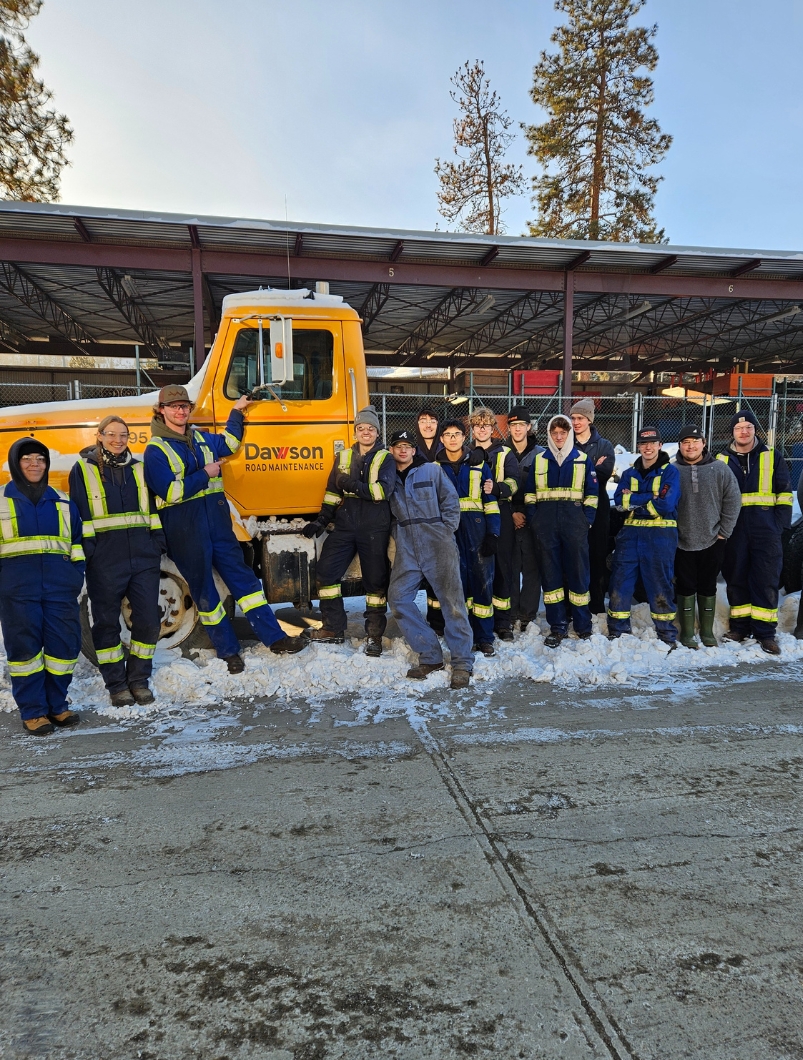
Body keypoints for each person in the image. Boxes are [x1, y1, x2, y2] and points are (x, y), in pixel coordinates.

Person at [144, 384, 306, 673]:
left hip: (218, 526)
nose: (180, 411)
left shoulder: (201, 439)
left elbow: (230, 443)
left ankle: (275, 638)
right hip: (185, 531)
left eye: (184, 406)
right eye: (174, 407)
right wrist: (205, 474)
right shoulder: (156, 450)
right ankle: (228, 651)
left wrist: (237, 412)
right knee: (205, 592)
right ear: (161, 411)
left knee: (247, 584)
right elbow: (169, 492)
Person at [70, 415, 166, 707]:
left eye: (123, 435)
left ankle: (138, 680)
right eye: (111, 434)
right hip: (105, 560)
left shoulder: (139, 468)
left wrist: (156, 543)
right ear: (100, 436)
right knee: (106, 623)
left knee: (148, 620)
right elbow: (79, 514)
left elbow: (151, 510)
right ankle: (116, 684)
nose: (117, 440)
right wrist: (92, 552)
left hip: (143, 557)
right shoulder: (82, 469)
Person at [0, 439, 84, 735]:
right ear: (15, 463)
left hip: (60, 589)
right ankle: (33, 711)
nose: (34, 464)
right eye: (27, 459)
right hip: (17, 592)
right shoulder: (1, 501)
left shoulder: (62, 501)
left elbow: (77, 543)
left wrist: (74, 577)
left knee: (64, 648)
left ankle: (56, 705)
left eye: (40, 459)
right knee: (25, 652)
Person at [303, 405, 396, 655]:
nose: (365, 432)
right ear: (355, 431)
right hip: (345, 525)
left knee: (375, 582)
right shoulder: (343, 457)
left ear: (377, 432)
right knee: (325, 573)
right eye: (361, 428)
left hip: (374, 526)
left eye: (370, 428)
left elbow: (381, 492)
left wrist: (351, 484)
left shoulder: (385, 458)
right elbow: (333, 492)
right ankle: (332, 628)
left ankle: (374, 635)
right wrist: (322, 520)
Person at [386, 429, 474, 689]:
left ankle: (462, 663)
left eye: (407, 446)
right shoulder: (389, 479)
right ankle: (431, 655)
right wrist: (398, 535)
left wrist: (446, 531)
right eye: (398, 446)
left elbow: (450, 500)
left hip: (437, 543)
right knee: (398, 598)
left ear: (414, 450)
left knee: (452, 603)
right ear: (392, 451)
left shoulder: (431, 471)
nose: (403, 450)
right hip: (407, 547)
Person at [717, 409, 792, 654]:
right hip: (734, 528)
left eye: (748, 427)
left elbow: (784, 493)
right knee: (736, 576)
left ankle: (765, 633)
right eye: (739, 428)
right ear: (732, 432)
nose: (744, 432)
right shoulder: (721, 460)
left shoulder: (772, 456)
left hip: (765, 528)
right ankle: (739, 628)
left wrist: (778, 526)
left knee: (766, 579)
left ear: (755, 430)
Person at [524, 415, 598, 647]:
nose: (558, 437)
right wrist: (535, 520)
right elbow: (529, 494)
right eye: (554, 433)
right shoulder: (539, 460)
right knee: (551, 576)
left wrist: (586, 521)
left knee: (579, 574)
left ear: (569, 434)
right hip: (546, 526)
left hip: (574, 525)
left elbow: (592, 494)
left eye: (563, 433)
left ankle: (583, 625)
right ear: (549, 434)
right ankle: (557, 626)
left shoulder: (582, 460)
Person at [607, 426, 680, 646]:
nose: (648, 448)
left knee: (660, 584)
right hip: (630, 537)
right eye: (643, 443)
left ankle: (666, 634)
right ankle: (618, 631)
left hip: (660, 536)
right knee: (620, 582)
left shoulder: (670, 472)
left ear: (660, 445)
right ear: (638, 446)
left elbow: (666, 504)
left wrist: (635, 498)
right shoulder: (629, 474)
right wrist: (651, 497)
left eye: (652, 443)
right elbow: (620, 501)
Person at [673, 425, 741, 649]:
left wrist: (724, 532)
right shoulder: (672, 470)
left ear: (704, 443)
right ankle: (687, 633)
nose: (690, 446)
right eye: (686, 442)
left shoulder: (719, 469)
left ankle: (707, 631)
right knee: (685, 585)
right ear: (680, 446)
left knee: (708, 585)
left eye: (695, 441)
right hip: (681, 540)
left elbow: (733, 500)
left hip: (713, 539)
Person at [436, 419, 500, 655]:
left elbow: (490, 501)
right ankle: (464, 636)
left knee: (482, 584)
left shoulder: (479, 464)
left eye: (457, 434)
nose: (452, 438)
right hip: (448, 533)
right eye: (448, 434)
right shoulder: (434, 468)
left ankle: (485, 637)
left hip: (477, 531)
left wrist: (493, 533)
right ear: (441, 439)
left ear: (465, 438)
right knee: (456, 586)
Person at [469, 407, 520, 641]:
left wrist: (497, 488)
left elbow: (515, 482)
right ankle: (476, 620)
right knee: (475, 568)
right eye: (477, 425)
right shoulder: (465, 452)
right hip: (474, 516)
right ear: (472, 429)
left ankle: (502, 621)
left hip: (501, 513)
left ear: (493, 428)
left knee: (502, 568)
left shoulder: (505, 453)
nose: (482, 429)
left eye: (486, 425)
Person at [570, 398, 616, 614]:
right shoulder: (566, 443)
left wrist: (578, 470)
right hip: (572, 508)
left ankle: (596, 604)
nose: (576, 422)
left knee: (597, 556)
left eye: (580, 418)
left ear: (589, 419)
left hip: (598, 508)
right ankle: (573, 605)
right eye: (573, 418)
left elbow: (603, 475)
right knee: (574, 557)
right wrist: (592, 467)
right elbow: (563, 475)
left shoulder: (604, 445)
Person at [506, 406, 543, 631]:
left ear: (529, 427)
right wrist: (511, 512)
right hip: (507, 513)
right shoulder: (501, 452)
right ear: (508, 428)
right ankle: (510, 613)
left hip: (532, 515)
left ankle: (527, 613)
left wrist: (530, 515)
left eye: (522, 425)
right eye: (513, 425)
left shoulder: (541, 454)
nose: (518, 429)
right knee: (510, 565)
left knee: (531, 566)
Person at [415, 407, 445, 632]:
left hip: (442, 519)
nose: (428, 425)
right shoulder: (409, 450)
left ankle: (439, 621)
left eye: (432, 420)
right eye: (423, 420)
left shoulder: (448, 448)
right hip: (417, 520)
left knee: (442, 572)